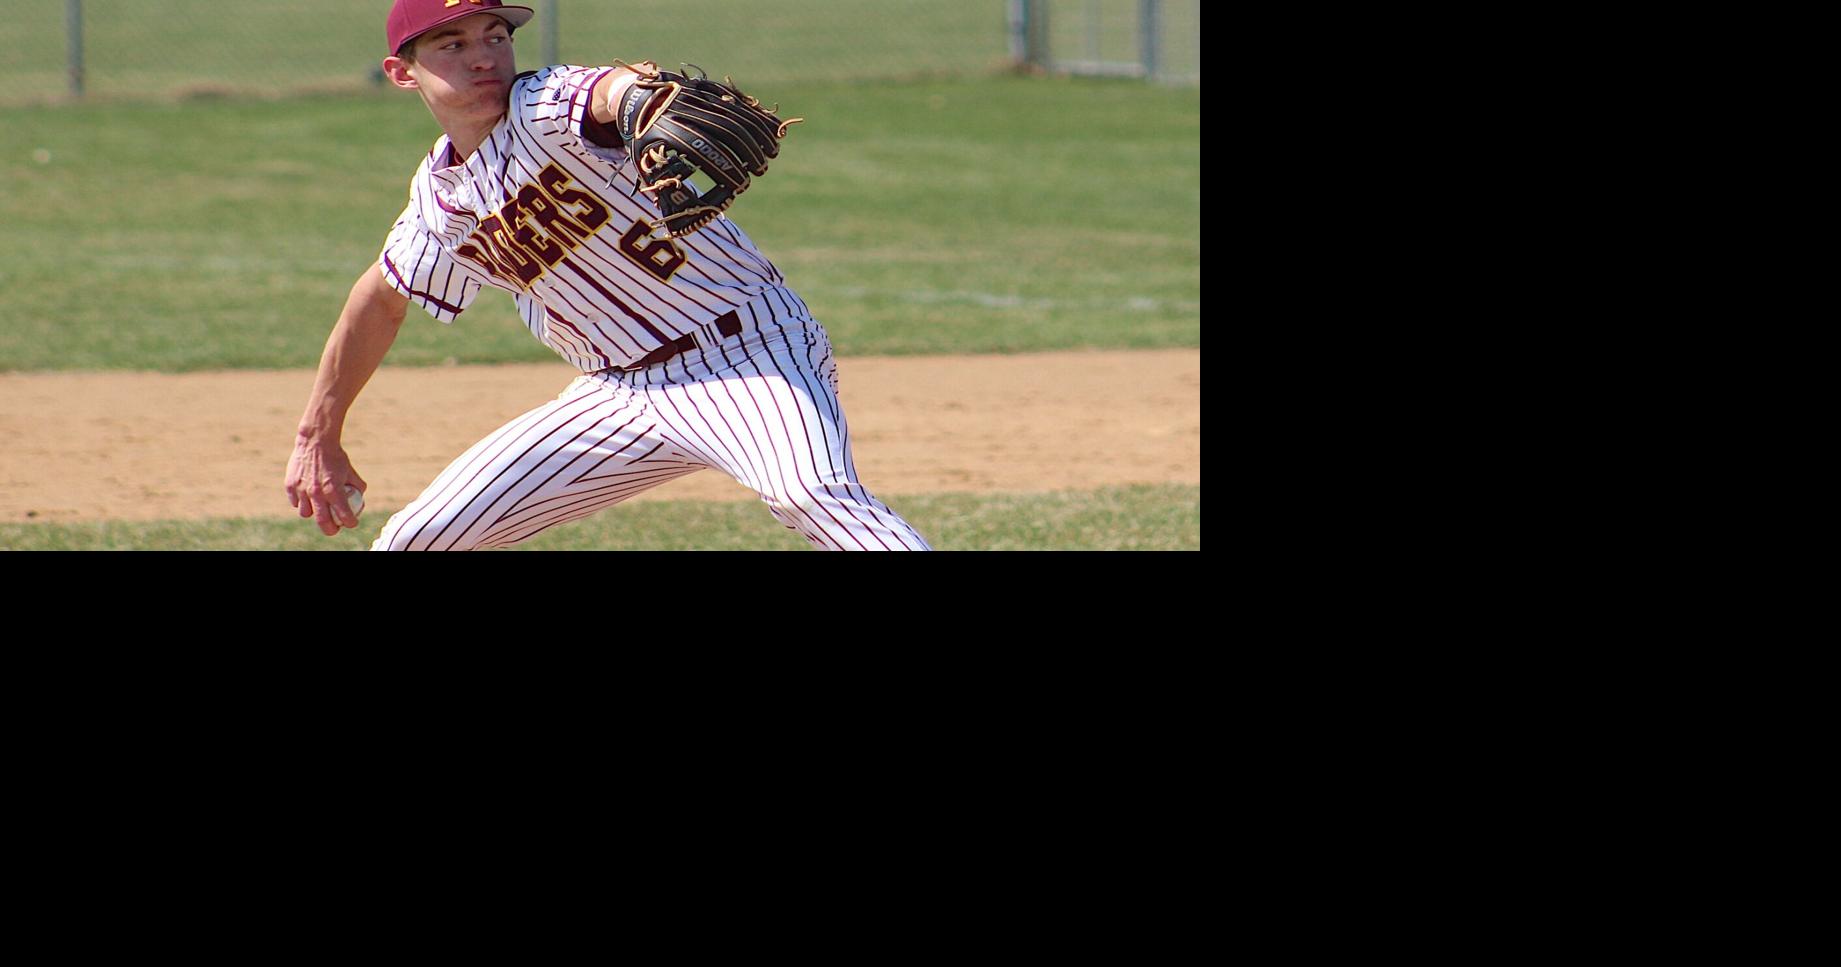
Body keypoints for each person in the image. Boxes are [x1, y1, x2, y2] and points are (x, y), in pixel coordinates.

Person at [284, 0, 930, 551]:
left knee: (810, 494)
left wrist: (640, 98)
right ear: (402, 72)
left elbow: (609, 91)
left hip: (747, 356)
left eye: (496, 37)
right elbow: (379, 300)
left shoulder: (542, 105)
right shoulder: (439, 202)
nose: (484, 57)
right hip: (618, 397)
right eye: (452, 44)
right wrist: (319, 433)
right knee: (415, 539)